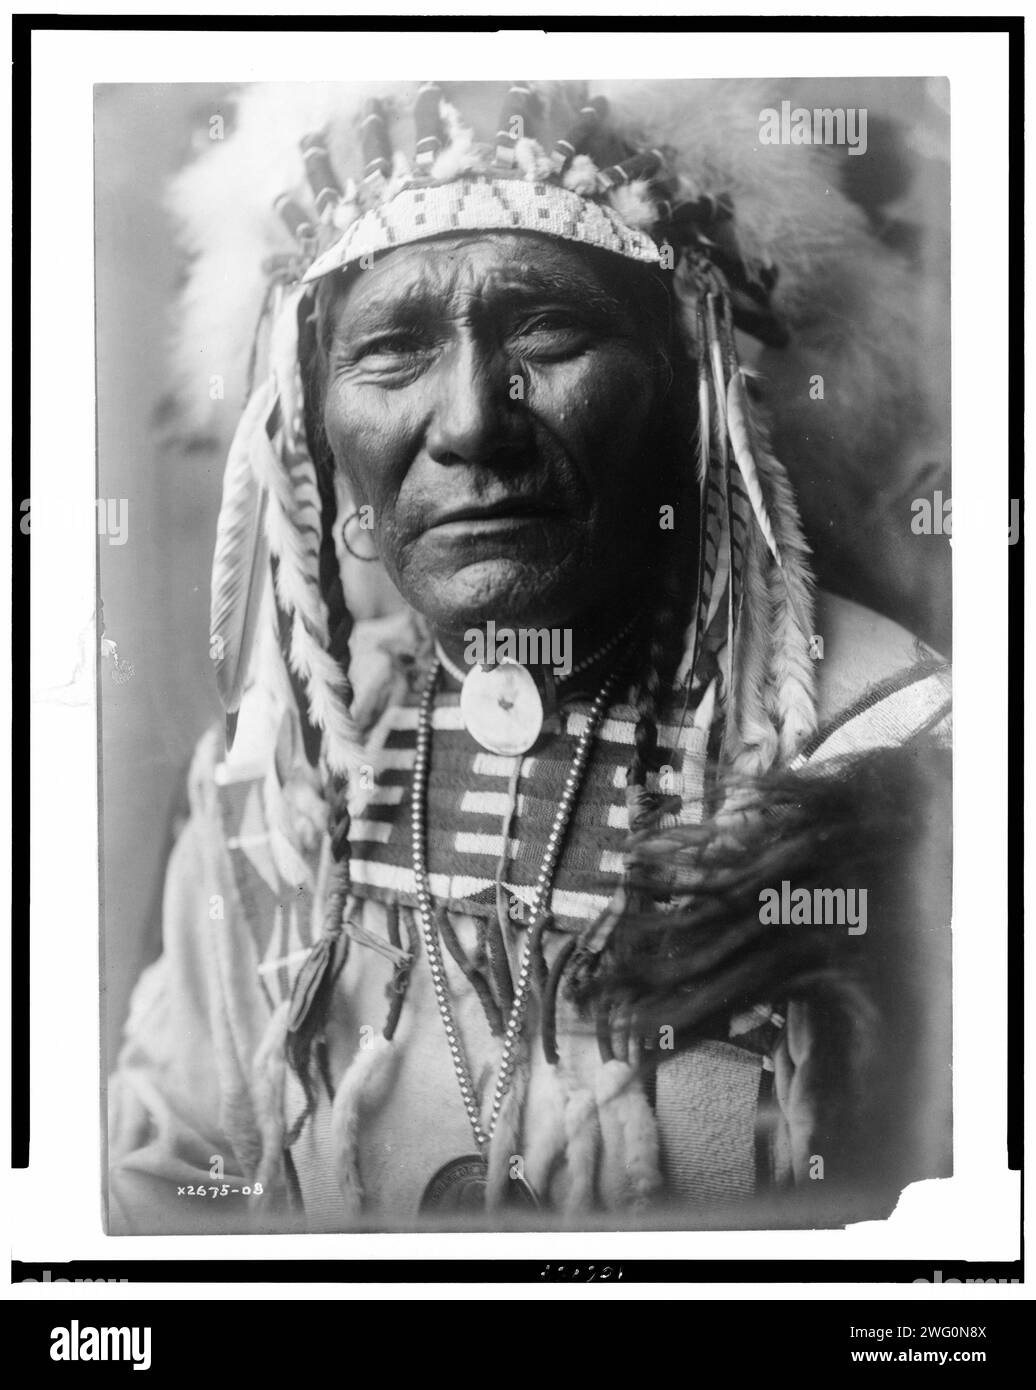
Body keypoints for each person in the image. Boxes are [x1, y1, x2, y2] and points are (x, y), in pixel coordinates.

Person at [107, 80, 951, 1233]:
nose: (470, 422)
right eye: (393, 348)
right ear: (316, 422)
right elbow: (162, 1190)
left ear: (687, 380)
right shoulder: (285, 779)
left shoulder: (888, 743)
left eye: (549, 329)